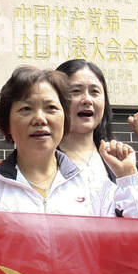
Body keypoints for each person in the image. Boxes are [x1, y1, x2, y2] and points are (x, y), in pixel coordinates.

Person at [0, 66, 138, 217]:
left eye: (51, 108)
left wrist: (130, 178)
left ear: (65, 118)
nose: (40, 118)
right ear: (7, 123)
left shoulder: (95, 185)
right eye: (26, 109)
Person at [55, 59, 115, 196]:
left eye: (94, 92)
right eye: (76, 91)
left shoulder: (118, 157)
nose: (87, 100)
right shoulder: (42, 159)